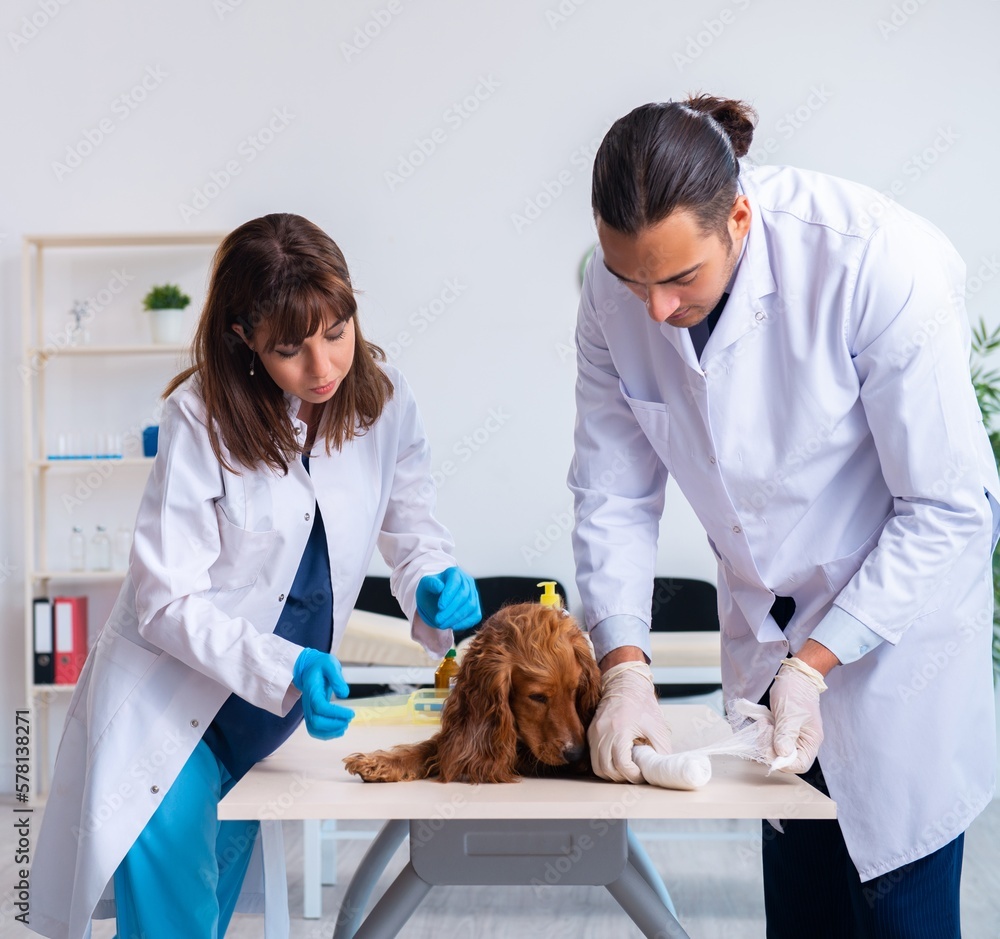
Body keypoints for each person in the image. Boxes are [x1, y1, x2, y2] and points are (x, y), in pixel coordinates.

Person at [571, 95, 999, 937]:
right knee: (803, 915)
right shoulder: (611, 292)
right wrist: (624, 666)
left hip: (895, 653)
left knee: (901, 909)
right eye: (633, 279)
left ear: (738, 215)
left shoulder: (871, 260)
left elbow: (949, 509)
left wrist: (815, 665)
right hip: (766, 657)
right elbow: (613, 493)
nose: (653, 308)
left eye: (678, 278)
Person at [29, 213, 482, 939]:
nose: (323, 365)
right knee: (176, 924)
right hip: (170, 704)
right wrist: (288, 662)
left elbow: (412, 524)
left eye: (337, 330)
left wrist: (430, 576)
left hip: (265, 716)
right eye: (290, 348)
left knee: (205, 915)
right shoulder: (200, 417)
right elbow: (166, 599)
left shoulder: (384, 400)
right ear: (244, 336)